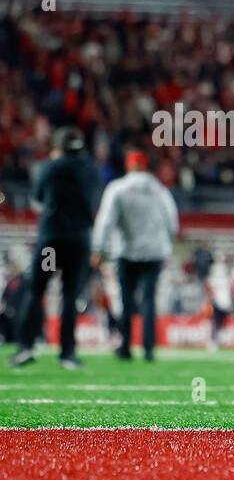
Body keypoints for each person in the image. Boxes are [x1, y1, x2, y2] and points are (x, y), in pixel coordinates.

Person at [10, 128, 100, 369]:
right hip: (79, 240)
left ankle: (26, 346)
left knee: (36, 289)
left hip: (53, 240)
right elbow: (94, 200)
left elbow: (38, 198)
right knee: (70, 295)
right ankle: (67, 353)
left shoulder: (49, 167)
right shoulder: (90, 168)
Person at [90, 149, 178, 361]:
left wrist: (99, 249)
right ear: (145, 166)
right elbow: (172, 222)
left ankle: (126, 346)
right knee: (149, 300)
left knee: (126, 300)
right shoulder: (159, 190)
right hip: (154, 252)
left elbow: (105, 221)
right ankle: (149, 348)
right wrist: (167, 244)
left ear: (129, 166)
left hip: (126, 251)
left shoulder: (118, 188)